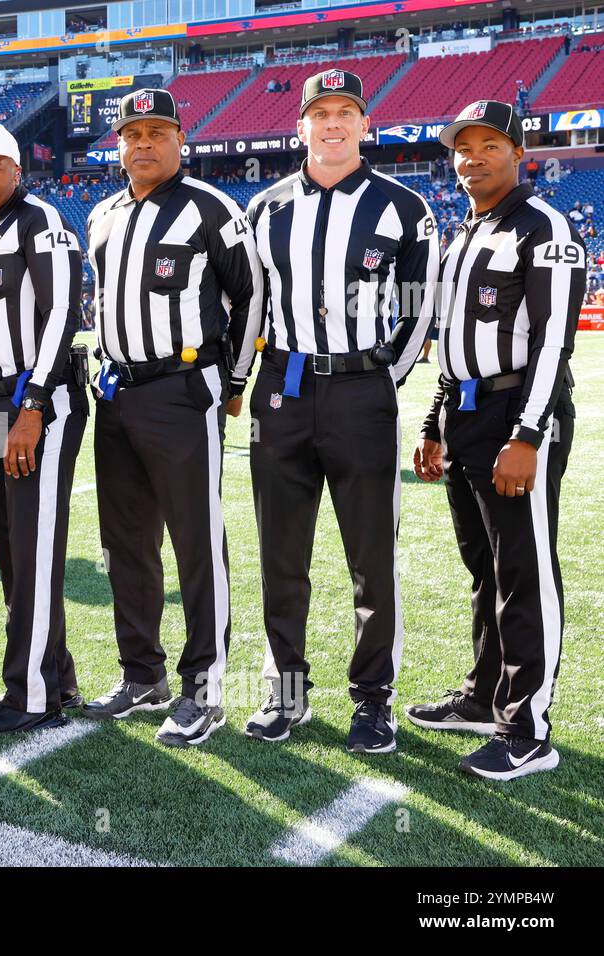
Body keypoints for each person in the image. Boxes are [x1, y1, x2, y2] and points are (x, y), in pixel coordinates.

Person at [231, 69, 439, 753]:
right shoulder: (263, 208)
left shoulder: (404, 208)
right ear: (300, 127)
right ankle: (284, 689)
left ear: (364, 125)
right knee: (280, 556)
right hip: (282, 390)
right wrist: (242, 382)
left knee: (371, 559)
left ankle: (372, 700)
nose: (333, 124)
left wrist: (383, 381)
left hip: (360, 394)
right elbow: (252, 306)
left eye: (346, 112)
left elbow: (417, 310)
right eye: (319, 113)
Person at [408, 101, 583, 780]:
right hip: (467, 416)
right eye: (461, 148)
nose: (471, 158)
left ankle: (529, 731)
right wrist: (434, 421)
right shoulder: (468, 231)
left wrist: (528, 434)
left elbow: (551, 346)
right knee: (485, 569)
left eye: (487, 145)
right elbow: (455, 346)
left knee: (523, 573)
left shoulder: (544, 227)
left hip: (517, 413)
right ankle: (486, 697)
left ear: (518, 152)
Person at [83, 89, 262, 747]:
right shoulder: (101, 214)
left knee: (195, 540)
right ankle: (142, 675)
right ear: (119, 145)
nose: (145, 144)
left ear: (181, 140)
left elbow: (252, 295)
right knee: (124, 542)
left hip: (184, 389)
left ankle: (204, 688)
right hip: (118, 394)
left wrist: (234, 379)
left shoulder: (212, 207)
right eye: (133, 133)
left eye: (158, 132)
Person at [0, 122, 88, 734]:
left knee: (32, 551)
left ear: (16, 170)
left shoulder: (39, 221)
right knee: (12, 550)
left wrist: (32, 406)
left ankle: (30, 695)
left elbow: (63, 312)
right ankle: (55, 675)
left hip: (37, 400)